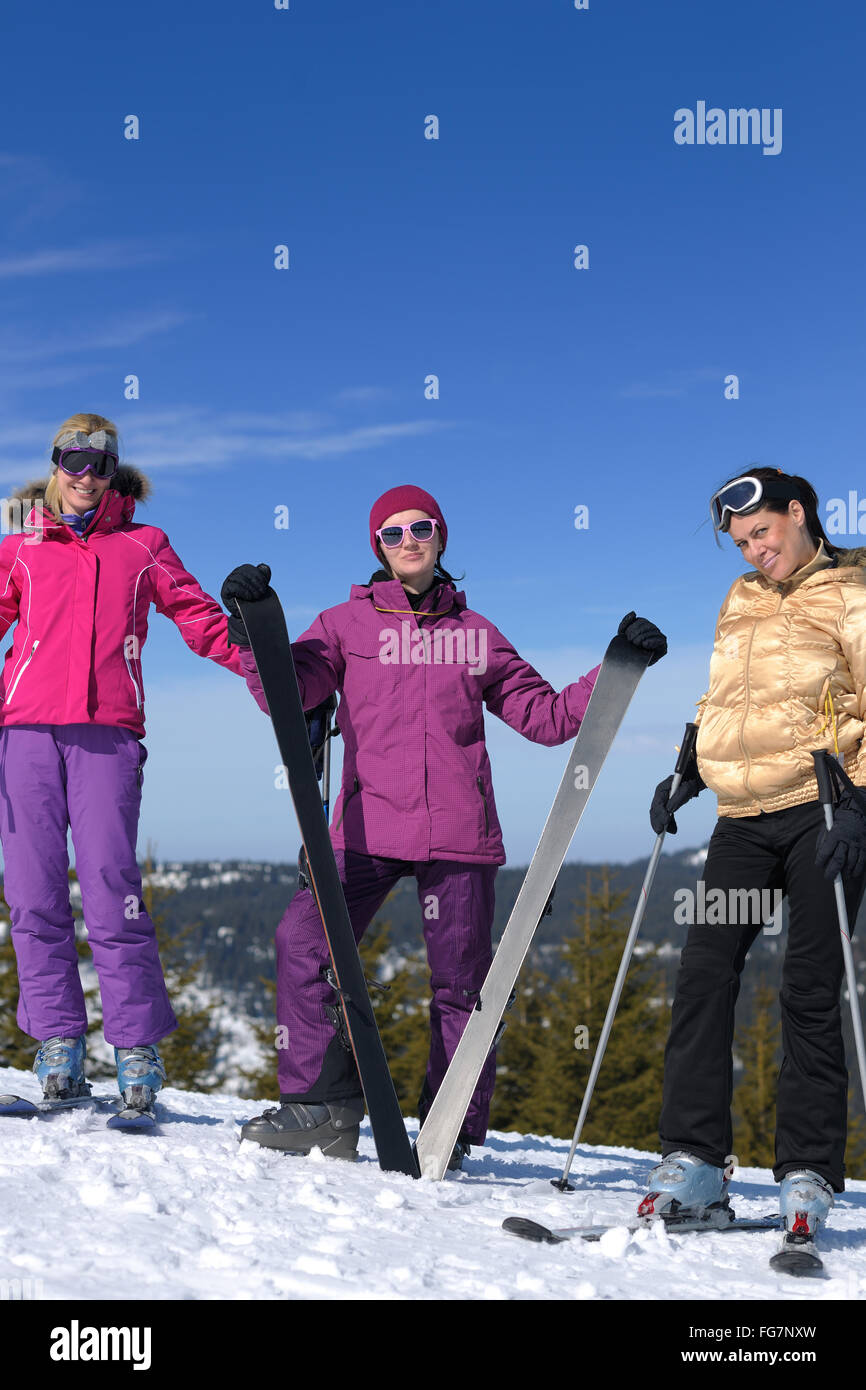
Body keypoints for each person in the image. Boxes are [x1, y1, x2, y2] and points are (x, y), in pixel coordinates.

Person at [223, 484, 667, 1165]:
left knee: (461, 988)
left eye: (420, 528)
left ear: (442, 537)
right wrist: (250, 627)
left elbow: (544, 718)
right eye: (392, 533)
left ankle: (447, 1126)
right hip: (364, 831)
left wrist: (614, 667)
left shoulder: (475, 635)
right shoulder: (344, 625)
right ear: (377, 546)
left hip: (458, 836)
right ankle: (321, 1109)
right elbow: (286, 693)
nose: (408, 542)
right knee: (300, 942)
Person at [643, 467, 866, 1239]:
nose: (754, 551)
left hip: (823, 814)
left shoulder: (852, 593)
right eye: (741, 543)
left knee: (809, 989)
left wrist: (859, 807)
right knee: (704, 973)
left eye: (762, 533)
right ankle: (696, 1163)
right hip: (742, 819)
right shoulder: (740, 597)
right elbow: (726, 698)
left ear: (799, 513)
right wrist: (692, 769)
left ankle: (805, 1172)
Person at [0, 413, 246, 1113]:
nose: (85, 476)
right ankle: (58, 1045)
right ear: (55, 463)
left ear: (115, 474)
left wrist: (263, 657)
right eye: (73, 461)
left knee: (113, 886)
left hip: (107, 735)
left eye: (100, 465)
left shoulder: (143, 545)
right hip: (24, 736)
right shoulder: (19, 549)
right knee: (32, 893)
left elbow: (197, 619)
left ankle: (135, 1049)